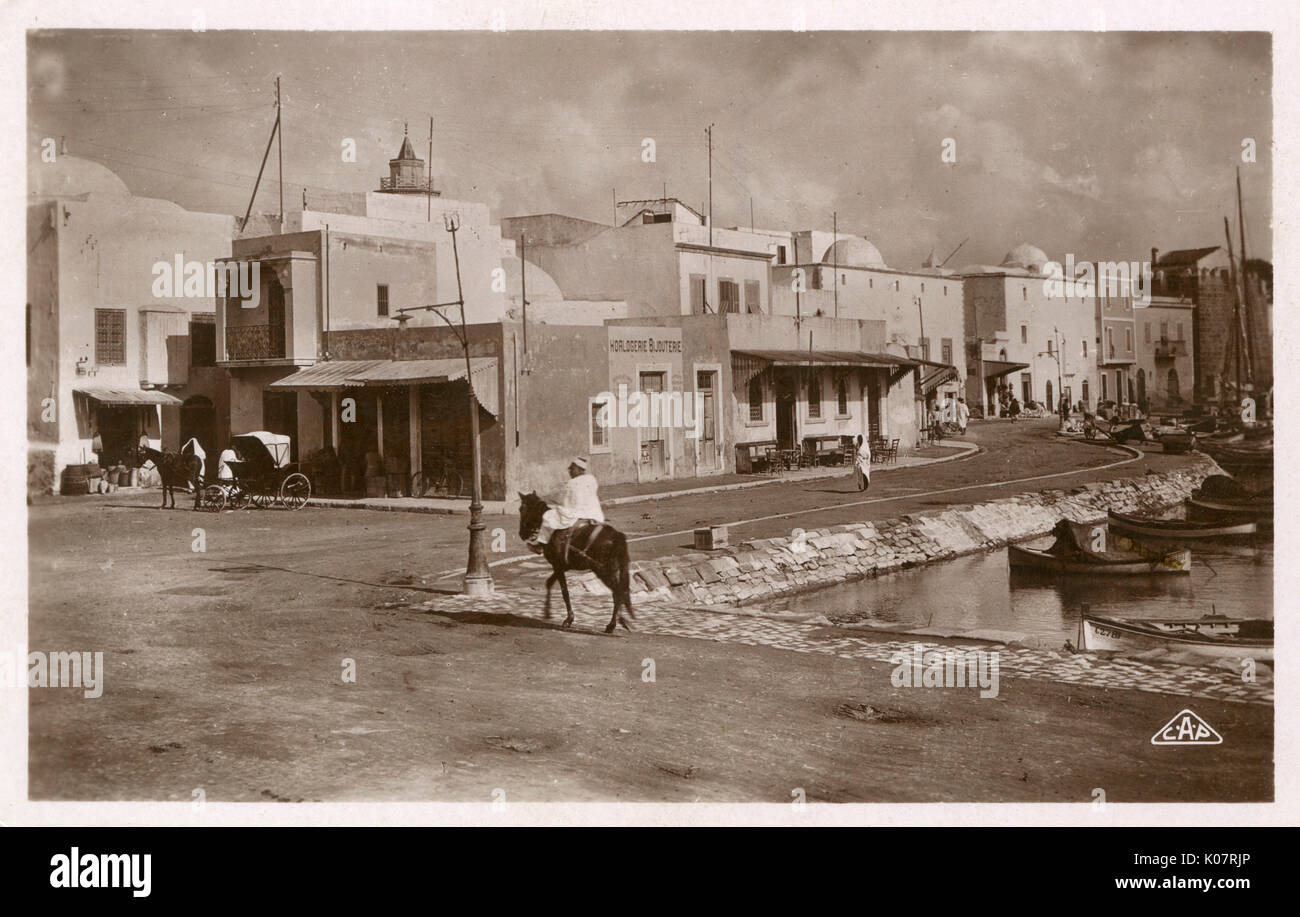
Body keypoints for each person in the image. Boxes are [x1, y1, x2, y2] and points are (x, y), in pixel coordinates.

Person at [529, 457, 605, 550]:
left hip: (577, 513)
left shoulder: (572, 483)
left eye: (572, 468)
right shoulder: (592, 479)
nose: (570, 471)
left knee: (548, 516)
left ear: (580, 469)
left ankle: (540, 545)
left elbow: (563, 500)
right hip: (595, 513)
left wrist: (548, 501)